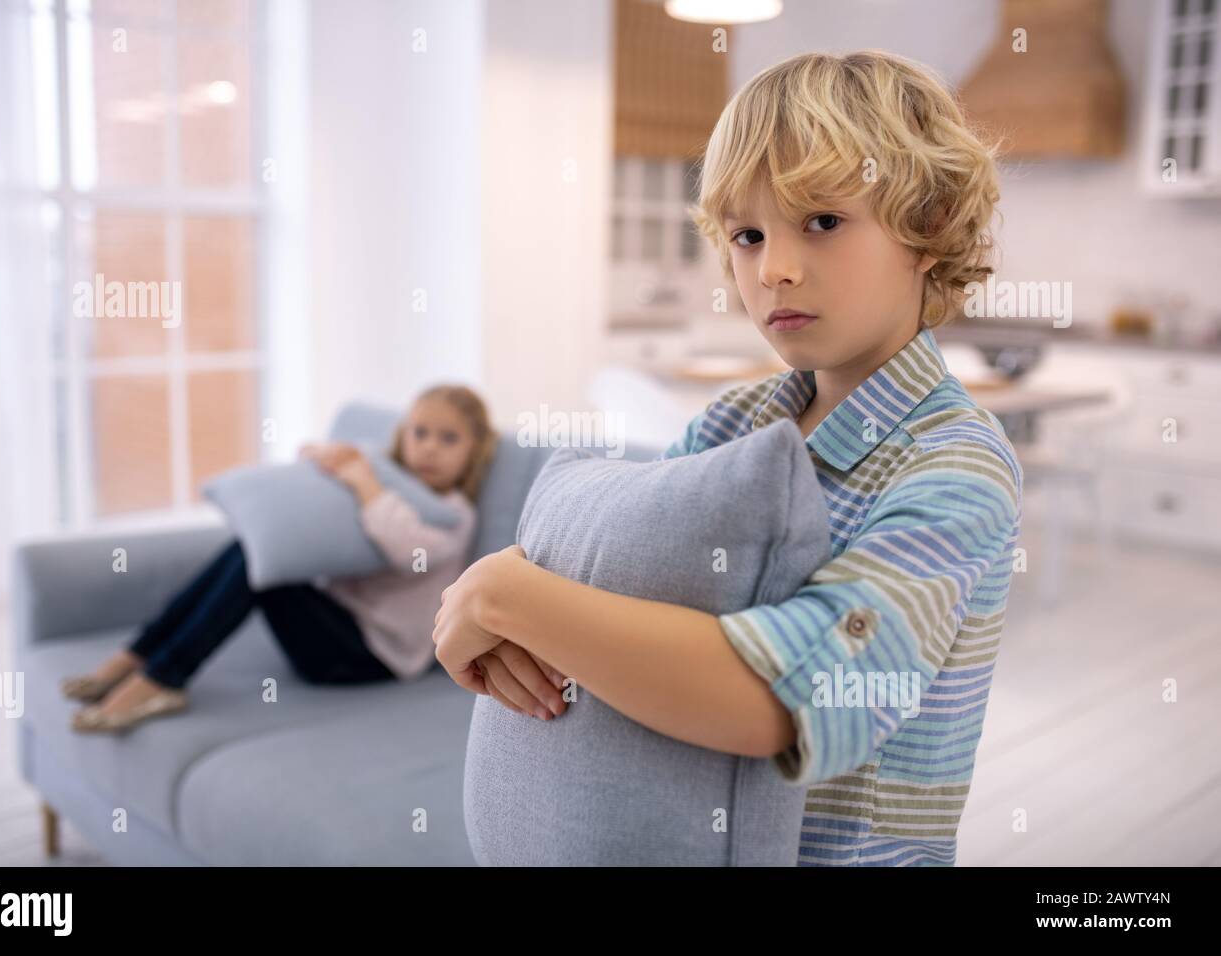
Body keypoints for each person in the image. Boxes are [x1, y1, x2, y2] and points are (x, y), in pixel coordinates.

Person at [436, 51, 1024, 866]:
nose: (773, 268)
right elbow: (616, 583)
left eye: (821, 220)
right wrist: (493, 588)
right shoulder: (732, 423)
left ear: (926, 226)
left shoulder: (955, 464)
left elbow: (796, 698)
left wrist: (509, 598)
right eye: (748, 234)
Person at [64, 384, 499, 733]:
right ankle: (139, 654)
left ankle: (162, 679)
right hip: (336, 622)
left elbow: (407, 549)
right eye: (419, 433)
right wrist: (334, 460)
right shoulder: (393, 478)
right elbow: (312, 459)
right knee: (249, 548)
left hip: (369, 657)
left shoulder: (456, 515)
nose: (429, 448)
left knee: (262, 573)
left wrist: (364, 482)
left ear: (474, 451)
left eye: (448, 439)